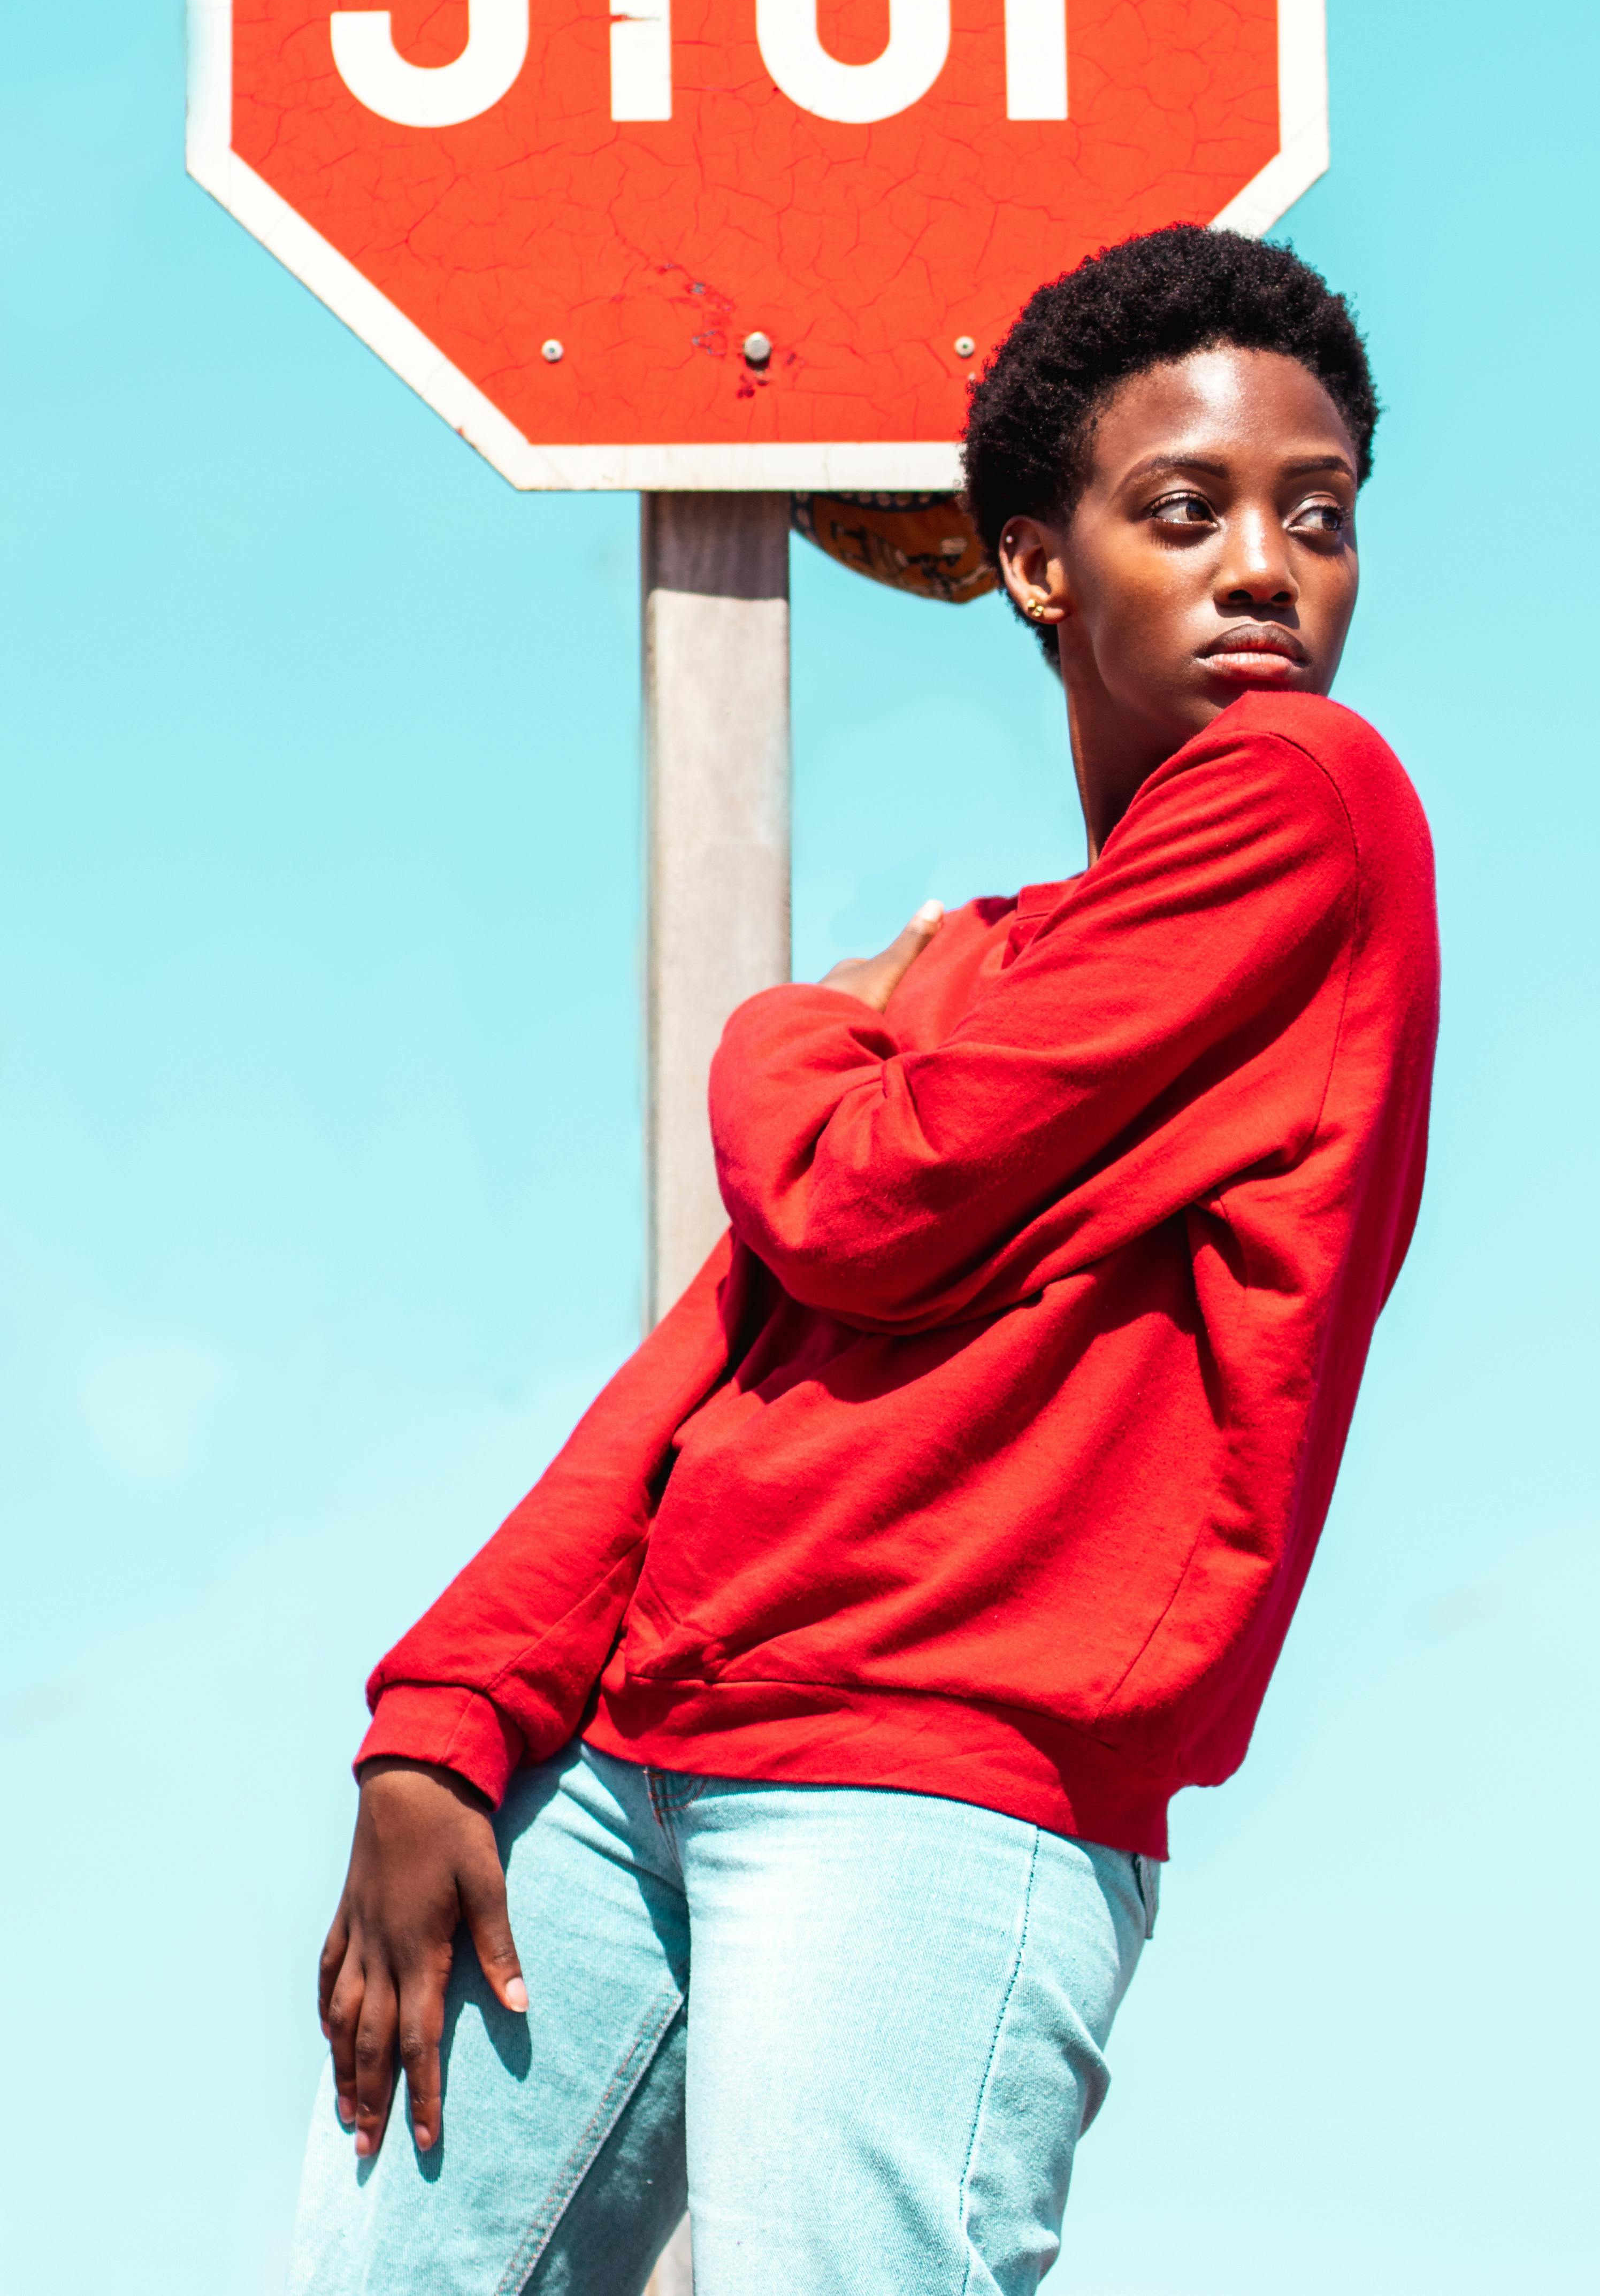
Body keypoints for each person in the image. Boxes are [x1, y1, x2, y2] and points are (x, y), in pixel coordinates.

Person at [290, 224, 1440, 2296]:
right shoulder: (988, 964)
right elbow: (711, 1365)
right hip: (619, 1755)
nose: (1263, 568)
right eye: (1181, 513)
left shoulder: (1304, 804)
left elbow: (862, 1198)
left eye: (1318, 517)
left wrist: (786, 1029)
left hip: (927, 1789)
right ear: (1035, 564)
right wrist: (442, 1712)